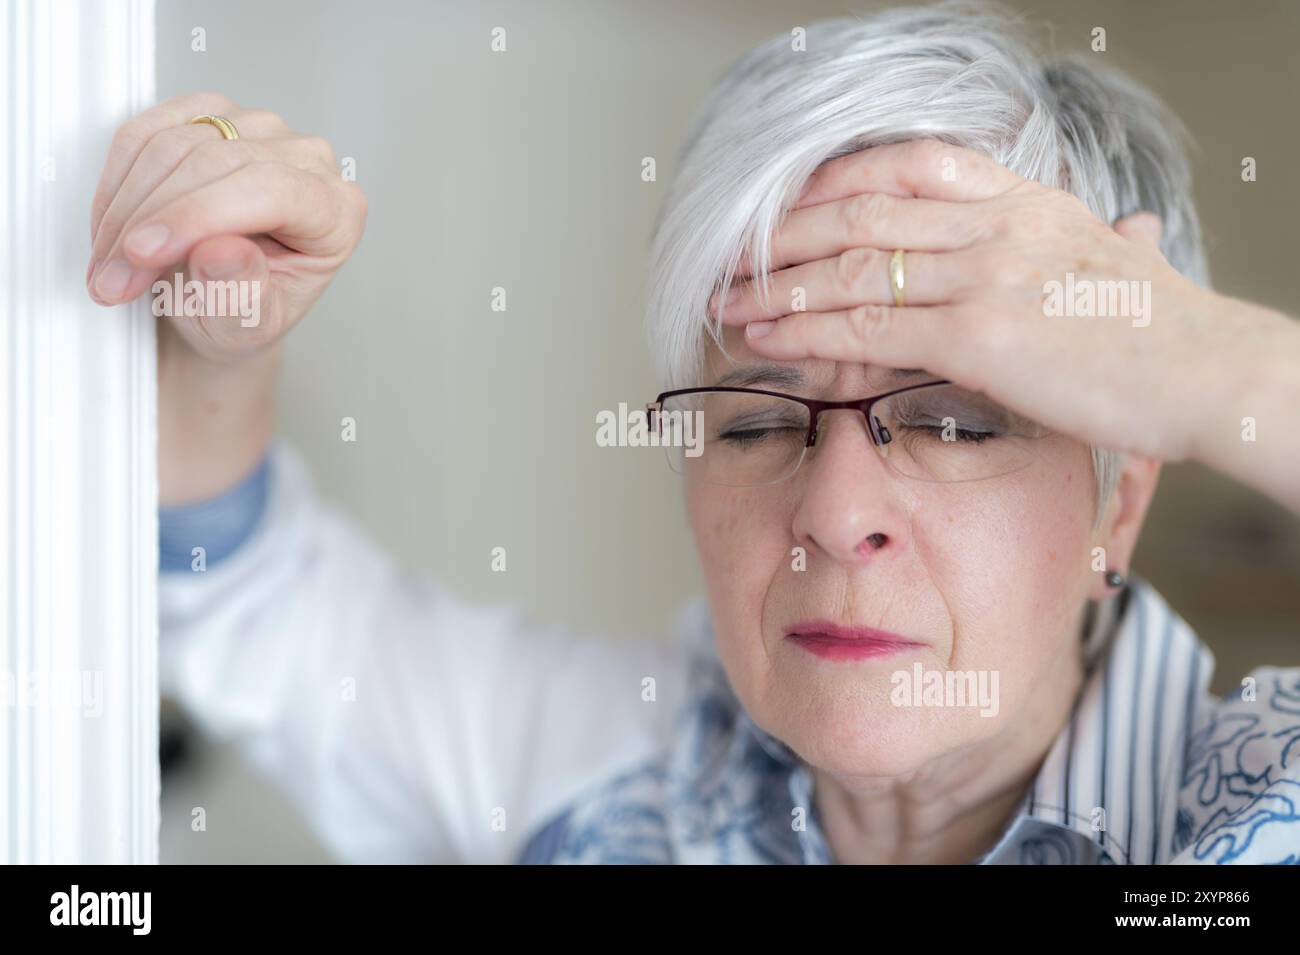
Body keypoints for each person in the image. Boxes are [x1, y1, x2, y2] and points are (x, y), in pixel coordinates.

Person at [88, 4, 1300, 863]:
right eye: (757, 419)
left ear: (1119, 499)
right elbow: (257, 599)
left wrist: (1215, 364)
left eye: (949, 418)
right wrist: (214, 342)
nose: (831, 512)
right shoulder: (596, 764)